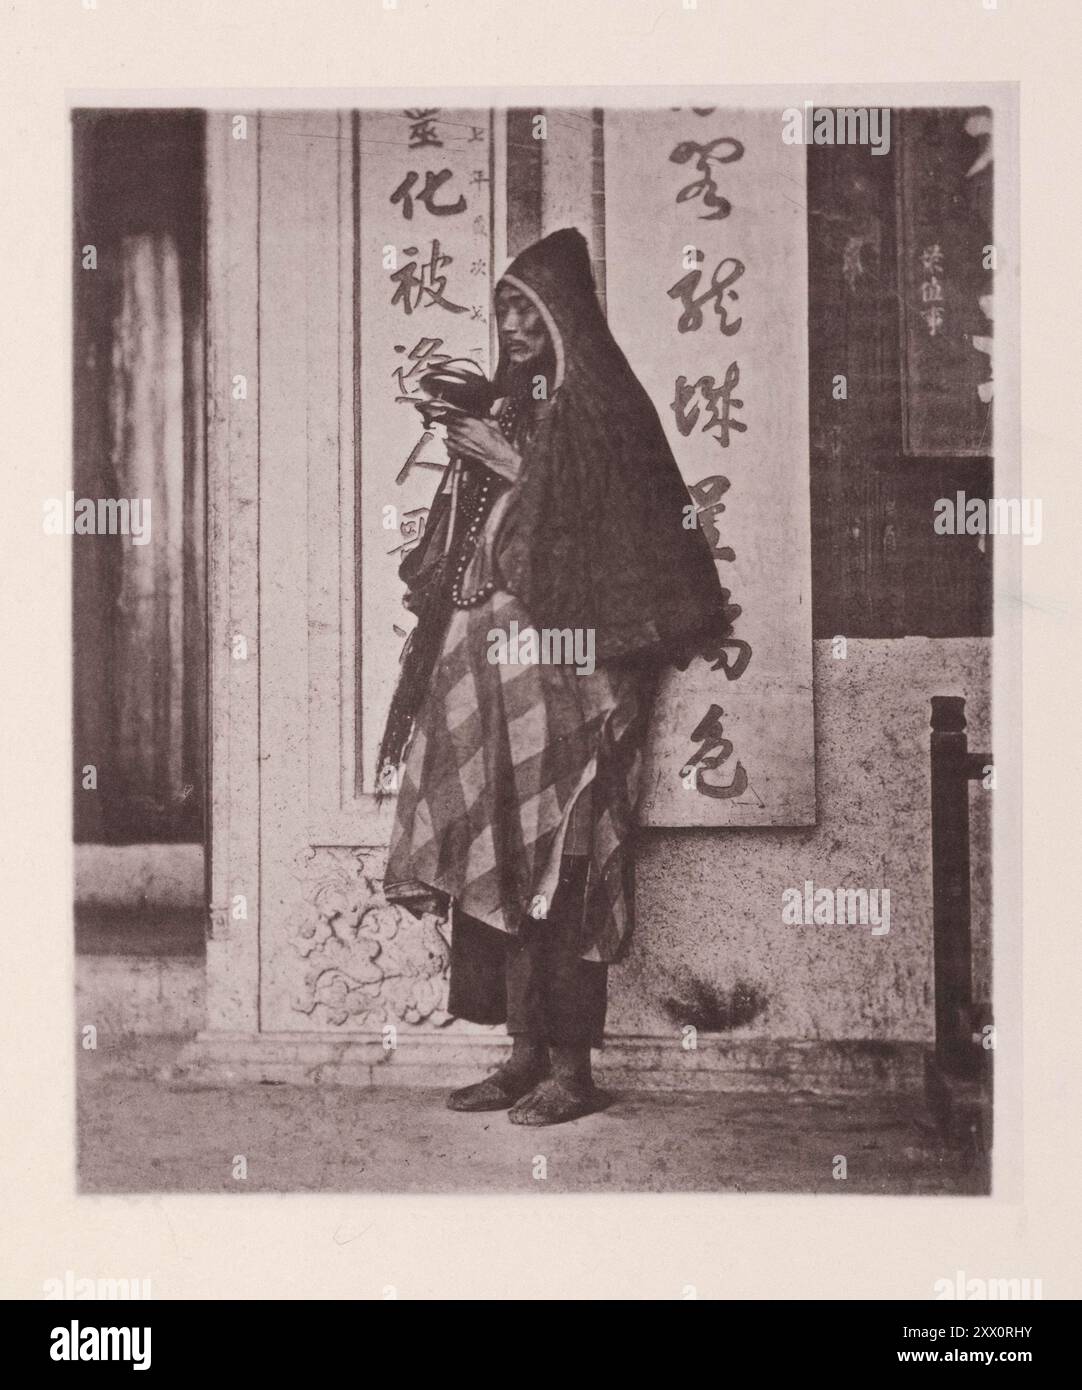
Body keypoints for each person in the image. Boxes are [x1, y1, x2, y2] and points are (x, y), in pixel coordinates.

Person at [381, 227, 727, 1125]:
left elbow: (618, 538)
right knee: (494, 841)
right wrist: (478, 468)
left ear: (565, 316)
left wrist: (517, 472)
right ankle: (520, 1053)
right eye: (502, 308)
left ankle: (572, 1066)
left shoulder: (607, 407)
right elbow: (468, 547)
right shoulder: (516, 407)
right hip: (496, 677)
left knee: (568, 857)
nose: (512, 323)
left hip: (578, 677)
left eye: (527, 308)